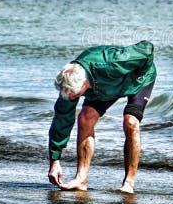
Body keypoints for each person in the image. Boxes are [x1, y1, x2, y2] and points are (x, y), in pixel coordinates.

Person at [48, 40, 156, 193]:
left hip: (138, 80)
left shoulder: (111, 62)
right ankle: (81, 179)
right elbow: (62, 120)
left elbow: (146, 48)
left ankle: (129, 183)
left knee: (130, 122)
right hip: (104, 88)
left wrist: (137, 74)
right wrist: (55, 160)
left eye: (77, 95)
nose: (74, 98)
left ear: (84, 84)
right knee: (85, 118)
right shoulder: (69, 84)